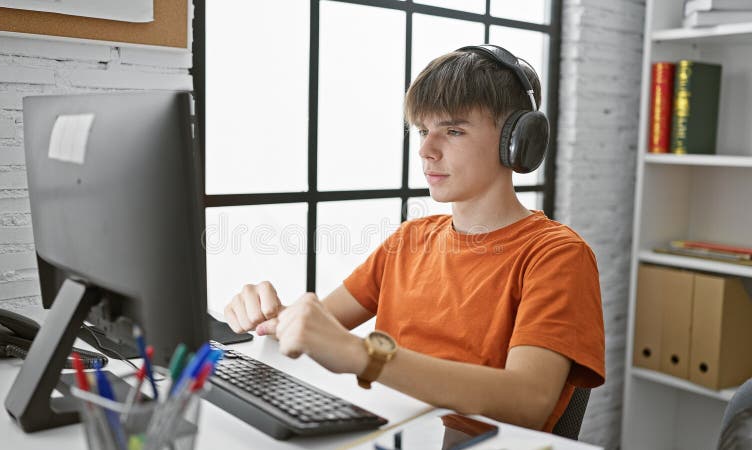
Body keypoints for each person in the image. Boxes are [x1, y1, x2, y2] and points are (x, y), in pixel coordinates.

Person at [224, 45, 605, 432]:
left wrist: (364, 356)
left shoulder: (557, 256)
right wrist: (273, 316)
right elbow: (321, 325)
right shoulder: (409, 240)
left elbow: (528, 402)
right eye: (423, 130)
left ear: (517, 141)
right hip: (386, 433)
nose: (425, 150)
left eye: (453, 130)